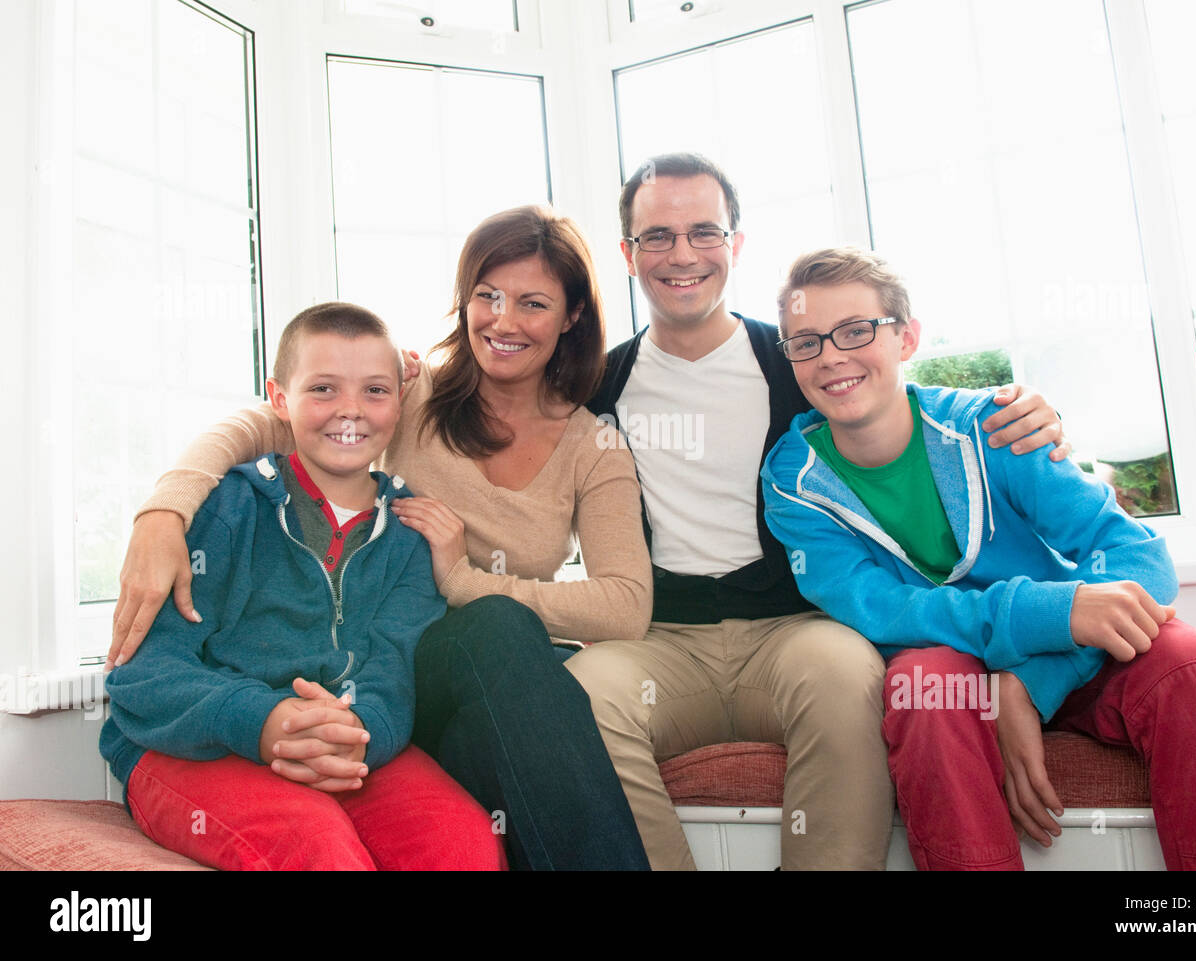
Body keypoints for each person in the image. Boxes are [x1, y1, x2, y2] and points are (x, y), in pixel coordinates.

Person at [107, 206, 652, 871]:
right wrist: (163, 510)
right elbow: (274, 419)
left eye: (533, 302)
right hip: (375, 678)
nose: (504, 320)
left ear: (571, 316)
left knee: (480, 782)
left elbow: (626, 601)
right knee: (497, 643)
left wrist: (463, 583)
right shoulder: (411, 394)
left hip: (426, 682)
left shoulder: (588, 445)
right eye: (487, 295)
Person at [566, 152, 1071, 869]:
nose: (683, 254)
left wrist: (1025, 409)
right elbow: (503, 423)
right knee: (580, 693)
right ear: (628, 253)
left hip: (794, 632)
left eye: (704, 232)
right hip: (659, 642)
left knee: (848, 672)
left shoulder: (800, 359)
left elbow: (890, 400)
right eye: (658, 236)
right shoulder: (598, 386)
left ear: (735, 246)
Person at [761, 246, 1196, 870]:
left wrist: (1029, 682)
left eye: (857, 330)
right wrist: (1041, 615)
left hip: (1078, 651)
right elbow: (881, 611)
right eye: (805, 342)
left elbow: (1134, 554)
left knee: (1192, 663)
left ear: (906, 339)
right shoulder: (792, 485)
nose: (831, 356)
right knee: (922, 685)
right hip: (961, 664)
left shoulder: (997, 426)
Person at [100, 303, 506, 870]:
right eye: (323, 389)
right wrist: (263, 722)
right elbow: (143, 675)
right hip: (196, 742)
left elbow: (392, 672)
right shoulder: (225, 508)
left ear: (399, 401)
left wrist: (360, 729)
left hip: (348, 742)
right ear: (279, 398)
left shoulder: (412, 534)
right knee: (312, 844)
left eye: (374, 391)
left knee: (463, 846)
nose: (350, 411)